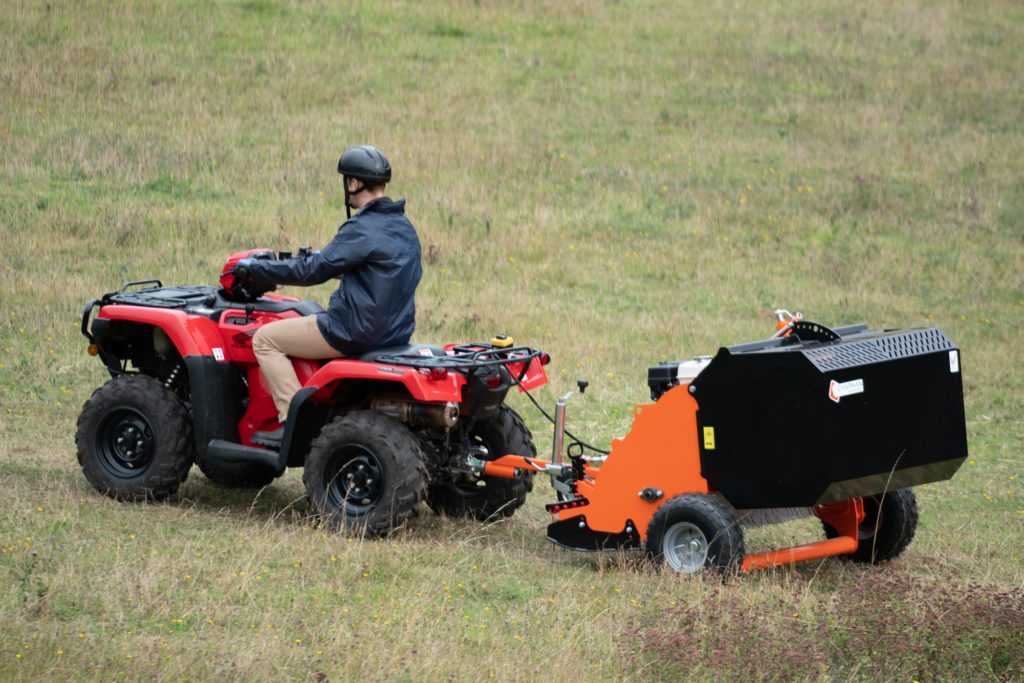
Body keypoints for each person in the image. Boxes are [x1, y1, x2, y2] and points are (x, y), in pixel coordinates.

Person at [234, 145, 422, 447]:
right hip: (395, 333)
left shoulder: (362, 227)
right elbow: (377, 270)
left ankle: (292, 422)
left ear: (353, 183)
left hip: (351, 331)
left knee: (264, 340)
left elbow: (314, 270)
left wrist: (263, 271)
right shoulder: (403, 226)